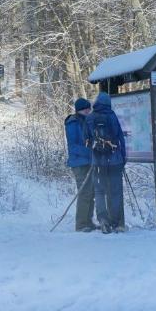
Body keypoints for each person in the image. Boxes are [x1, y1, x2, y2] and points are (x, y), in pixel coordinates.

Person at [85, 91, 127, 233]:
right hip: (114, 161)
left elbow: (86, 141)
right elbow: (120, 137)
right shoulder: (112, 116)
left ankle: (103, 220)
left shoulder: (89, 118)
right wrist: (123, 158)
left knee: (99, 192)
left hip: (98, 163)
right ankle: (115, 223)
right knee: (115, 192)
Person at [64, 98, 96, 232]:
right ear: (80, 109)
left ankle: (89, 221)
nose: (89, 110)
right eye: (86, 108)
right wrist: (90, 151)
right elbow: (73, 147)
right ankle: (81, 224)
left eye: (89, 108)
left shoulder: (87, 121)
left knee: (91, 192)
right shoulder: (73, 123)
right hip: (78, 163)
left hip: (89, 162)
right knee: (84, 193)